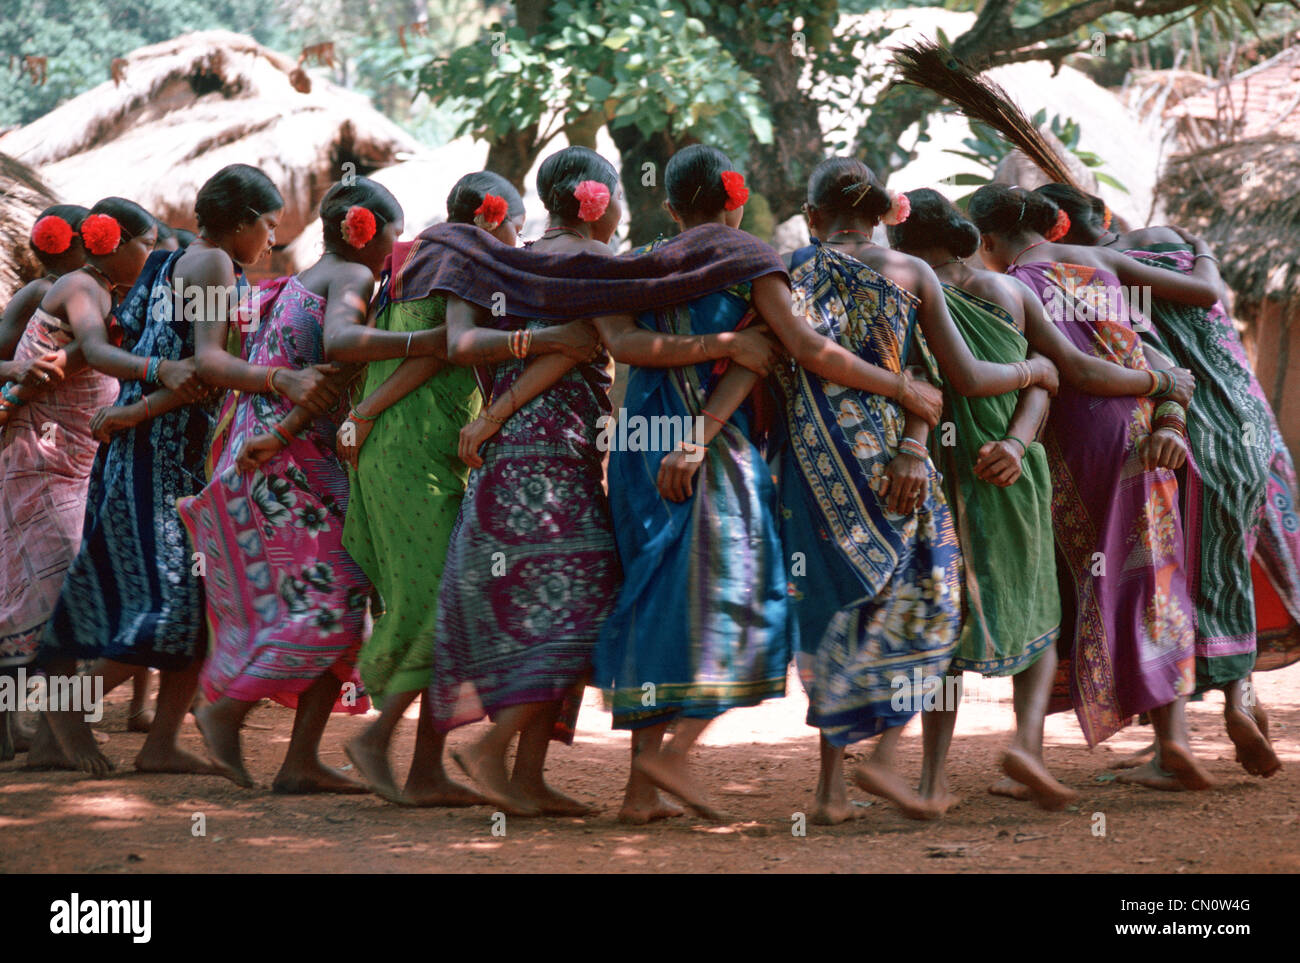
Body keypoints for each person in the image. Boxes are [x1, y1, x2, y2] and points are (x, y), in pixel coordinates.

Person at [774, 161, 1060, 821]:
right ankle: (887, 761)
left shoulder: (784, 272)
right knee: (932, 602)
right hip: (896, 468)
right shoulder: (911, 273)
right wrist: (1033, 367)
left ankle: (830, 790)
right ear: (881, 217)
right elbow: (956, 374)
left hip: (810, 468)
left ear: (813, 217)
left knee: (832, 613)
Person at [890, 188, 1190, 809]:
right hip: (1028, 462)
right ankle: (1055, 743)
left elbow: (931, 384)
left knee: (946, 610)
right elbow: (1063, 371)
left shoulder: (908, 295)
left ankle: (927, 779)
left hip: (950, 468)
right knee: (1085, 596)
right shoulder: (1057, 277)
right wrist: (1166, 401)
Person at [37, 167, 333, 777]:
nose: (272, 241)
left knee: (192, 602)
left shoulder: (165, 262)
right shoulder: (214, 264)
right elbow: (204, 365)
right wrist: (282, 379)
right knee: (173, 601)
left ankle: (159, 742)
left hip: (162, 443)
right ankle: (68, 708)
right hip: (164, 451)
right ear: (242, 220)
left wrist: (139, 407)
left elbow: (173, 360)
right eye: (269, 226)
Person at [340, 171, 609, 807]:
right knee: (448, 605)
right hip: (433, 450)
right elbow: (449, 349)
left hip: (443, 448)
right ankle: (404, 746)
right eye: (513, 224)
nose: (520, 238)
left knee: (453, 603)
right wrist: (372, 412)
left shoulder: (428, 261)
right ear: (495, 218)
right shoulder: (468, 263)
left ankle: (444, 768)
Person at [969, 183, 1220, 791]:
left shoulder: (1010, 288)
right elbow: (1180, 317)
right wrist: (1167, 403)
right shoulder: (1100, 261)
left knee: (1061, 585)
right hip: (1142, 433)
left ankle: (1029, 747)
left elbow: (1076, 371)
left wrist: (1159, 392)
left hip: (1076, 439)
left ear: (990, 241)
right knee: (1154, 572)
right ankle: (1172, 741)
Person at [1039, 182, 1293, 778]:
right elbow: (1208, 287)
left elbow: (1137, 354)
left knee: (1168, 581)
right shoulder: (1168, 241)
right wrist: (1203, 244)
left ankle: (1168, 744)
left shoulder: (1093, 270)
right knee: (1232, 568)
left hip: (1186, 428)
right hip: (1252, 425)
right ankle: (1241, 703)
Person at [178, 177, 409, 791]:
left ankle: (300, 760)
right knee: (332, 603)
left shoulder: (300, 278)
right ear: (368, 230)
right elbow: (338, 344)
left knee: (339, 594)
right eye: (393, 234)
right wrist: (433, 341)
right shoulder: (349, 278)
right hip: (289, 462)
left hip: (267, 453)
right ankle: (227, 708)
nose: (396, 247)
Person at [590, 145, 795, 822]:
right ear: (734, 200)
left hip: (638, 445)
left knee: (656, 592)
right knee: (747, 592)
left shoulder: (635, 266)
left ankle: (639, 792)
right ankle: (670, 753)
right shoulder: (754, 263)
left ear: (671, 206)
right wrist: (719, 363)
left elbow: (624, 345)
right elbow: (760, 356)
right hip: (711, 444)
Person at [432, 147, 621, 816]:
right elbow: (574, 345)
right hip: (548, 459)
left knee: (549, 607)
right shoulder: (591, 261)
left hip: (511, 456)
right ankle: (496, 751)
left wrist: (496, 410)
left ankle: (528, 776)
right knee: (583, 603)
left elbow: (469, 347)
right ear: (600, 200)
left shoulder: (499, 258)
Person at [0, 200, 153, 761]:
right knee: (55, 589)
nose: (151, 257)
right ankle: (60, 730)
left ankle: (44, 735)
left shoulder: (97, 294)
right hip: (40, 461)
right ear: (108, 242)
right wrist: (158, 371)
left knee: (40, 591)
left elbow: (83, 354)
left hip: (69, 462)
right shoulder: (78, 293)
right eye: (146, 244)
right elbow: (92, 350)